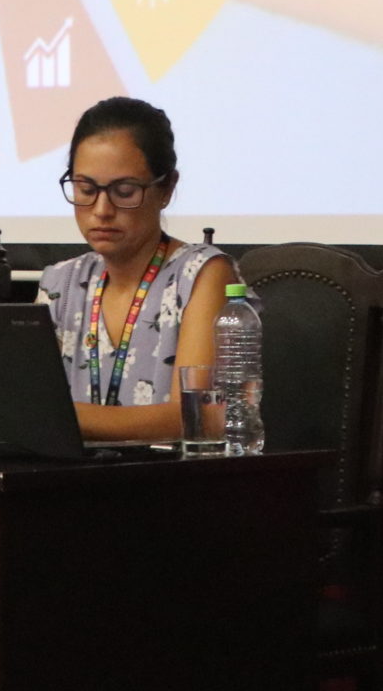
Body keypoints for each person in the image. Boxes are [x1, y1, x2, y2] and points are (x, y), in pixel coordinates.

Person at [37, 96, 237, 441]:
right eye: (85, 189)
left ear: (167, 188)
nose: (101, 209)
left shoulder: (202, 276)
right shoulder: (61, 282)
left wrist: (57, 417)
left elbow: (200, 416)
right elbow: (24, 403)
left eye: (124, 191)